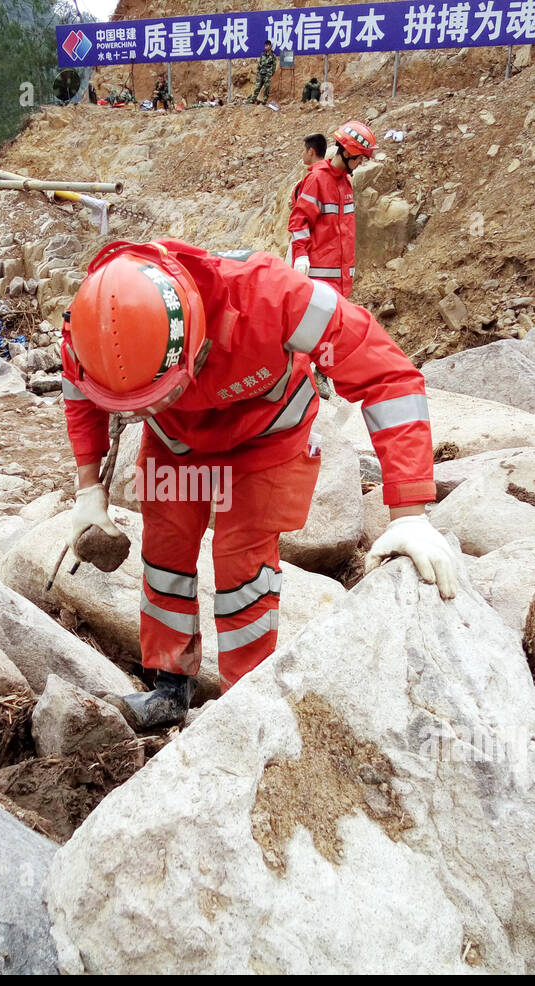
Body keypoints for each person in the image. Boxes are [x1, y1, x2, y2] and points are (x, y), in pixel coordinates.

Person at [59, 239, 456, 727]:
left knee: (241, 565)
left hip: (268, 440)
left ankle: (241, 705)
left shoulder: (276, 297)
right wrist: (88, 488)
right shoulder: (92, 327)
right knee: (164, 552)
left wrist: (410, 512)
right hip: (177, 442)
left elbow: (387, 376)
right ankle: (168, 687)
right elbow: (79, 394)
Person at [288, 120, 375, 300]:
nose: (360, 162)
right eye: (359, 157)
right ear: (346, 152)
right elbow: (299, 221)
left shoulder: (345, 183)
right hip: (320, 281)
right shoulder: (317, 180)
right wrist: (301, 256)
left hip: (341, 281)